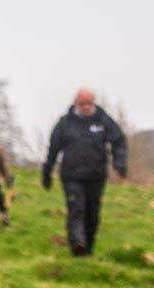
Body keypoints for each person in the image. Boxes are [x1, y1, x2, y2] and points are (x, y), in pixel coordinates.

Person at [42, 88, 128, 255]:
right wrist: (47, 172)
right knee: (76, 208)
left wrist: (120, 162)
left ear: (94, 102)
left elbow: (119, 141)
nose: (86, 107)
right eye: (83, 104)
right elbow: (53, 149)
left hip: (96, 175)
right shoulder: (65, 123)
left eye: (89, 104)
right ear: (76, 103)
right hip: (71, 175)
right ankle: (77, 243)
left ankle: (87, 248)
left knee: (92, 213)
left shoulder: (103, 121)